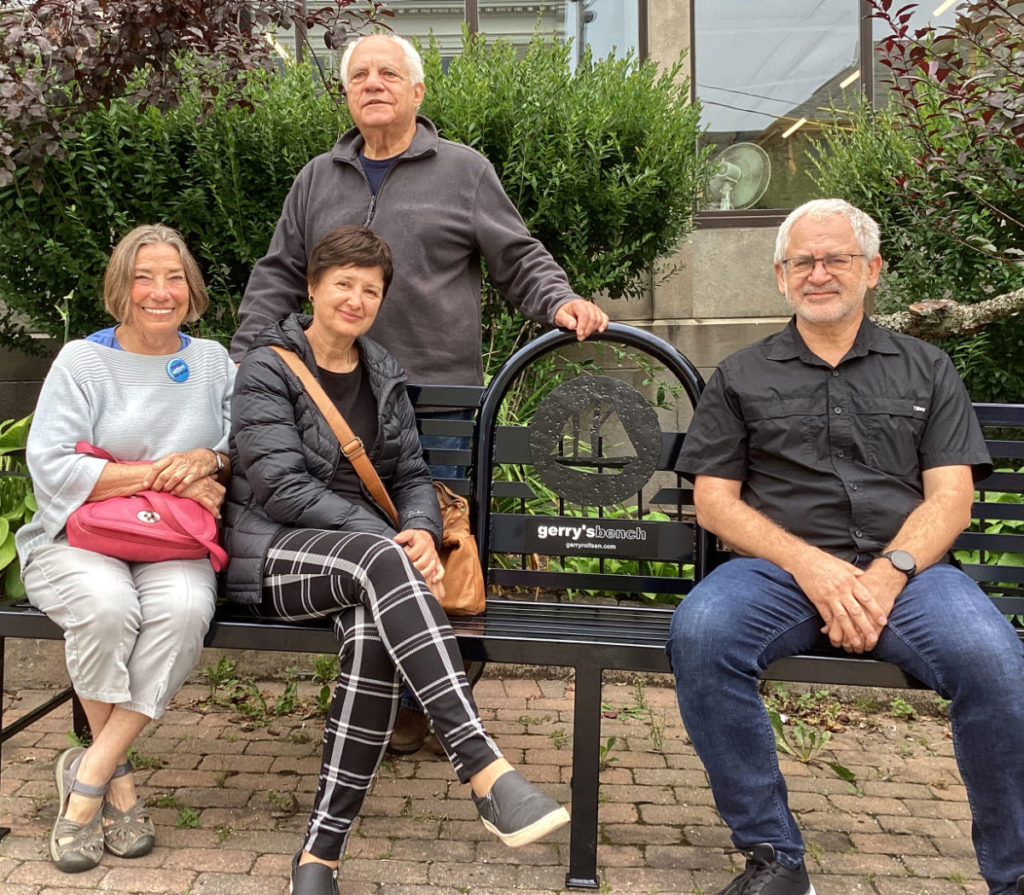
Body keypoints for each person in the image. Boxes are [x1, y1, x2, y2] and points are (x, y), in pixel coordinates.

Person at [230, 31, 609, 753]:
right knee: (360, 539)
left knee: (444, 540)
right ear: (346, 94)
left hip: (434, 400)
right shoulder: (316, 177)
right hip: (328, 395)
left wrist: (558, 301)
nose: (374, 83)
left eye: (389, 73)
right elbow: (278, 272)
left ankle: (443, 695)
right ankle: (397, 702)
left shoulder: (463, 170)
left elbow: (517, 256)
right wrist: (251, 359)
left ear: (417, 91)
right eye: (360, 75)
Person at [667, 198, 1024, 895]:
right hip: (777, 574)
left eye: (837, 259)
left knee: (996, 662)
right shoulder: (741, 375)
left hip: (913, 575)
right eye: (804, 260)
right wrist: (815, 567)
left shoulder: (927, 369)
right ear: (780, 276)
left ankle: (1013, 874)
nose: (819, 272)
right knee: (702, 631)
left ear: (872, 270)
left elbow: (951, 496)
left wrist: (885, 575)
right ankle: (775, 858)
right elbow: (714, 501)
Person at [224, 225, 570, 895]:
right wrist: (390, 545)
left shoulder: (381, 370)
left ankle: (318, 856)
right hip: (272, 552)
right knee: (381, 571)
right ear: (313, 288)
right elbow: (281, 487)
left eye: (370, 290)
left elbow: (411, 472)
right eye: (343, 284)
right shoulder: (268, 366)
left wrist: (415, 528)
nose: (356, 299)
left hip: (366, 565)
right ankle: (481, 764)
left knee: (371, 632)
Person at [16, 224, 235, 873]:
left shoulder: (214, 361)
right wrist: (162, 471)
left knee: (184, 610)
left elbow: (239, 444)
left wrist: (210, 458)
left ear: (191, 289)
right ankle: (113, 789)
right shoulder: (82, 363)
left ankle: (90, 767)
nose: (159, 291)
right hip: (80, 536)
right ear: (122, 287)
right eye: (144, 277)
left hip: (172, 539)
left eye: (173, 277)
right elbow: (52, 465)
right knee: (108, 607)